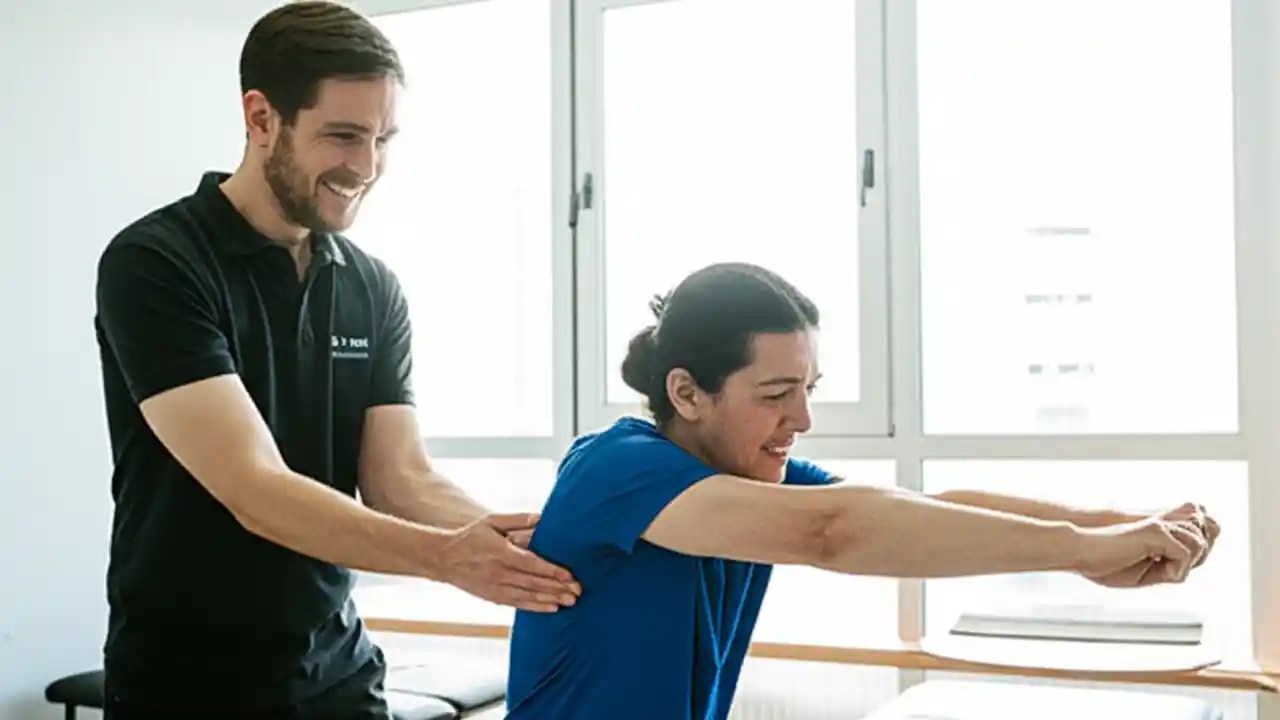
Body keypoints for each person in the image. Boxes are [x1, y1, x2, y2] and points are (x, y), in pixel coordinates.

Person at [92, 2, 579, 717]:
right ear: (262, 119)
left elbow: (400, 478)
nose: (368, 166)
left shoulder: (371, 285)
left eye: (384, 138)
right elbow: (254, 487)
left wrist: (532, 545)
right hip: (188, 684)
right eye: (345, 136)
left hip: (338, 676)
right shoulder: (156, 263)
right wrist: (448, 559)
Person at [505, 261, 1219, 719]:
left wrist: (1121, 524)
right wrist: (1081, 551)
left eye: (808, 391)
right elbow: (835, 531)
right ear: (686, 392)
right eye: (777, 394)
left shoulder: (744, 480)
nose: (803, 420)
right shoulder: (616, 470)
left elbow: (919, 512)